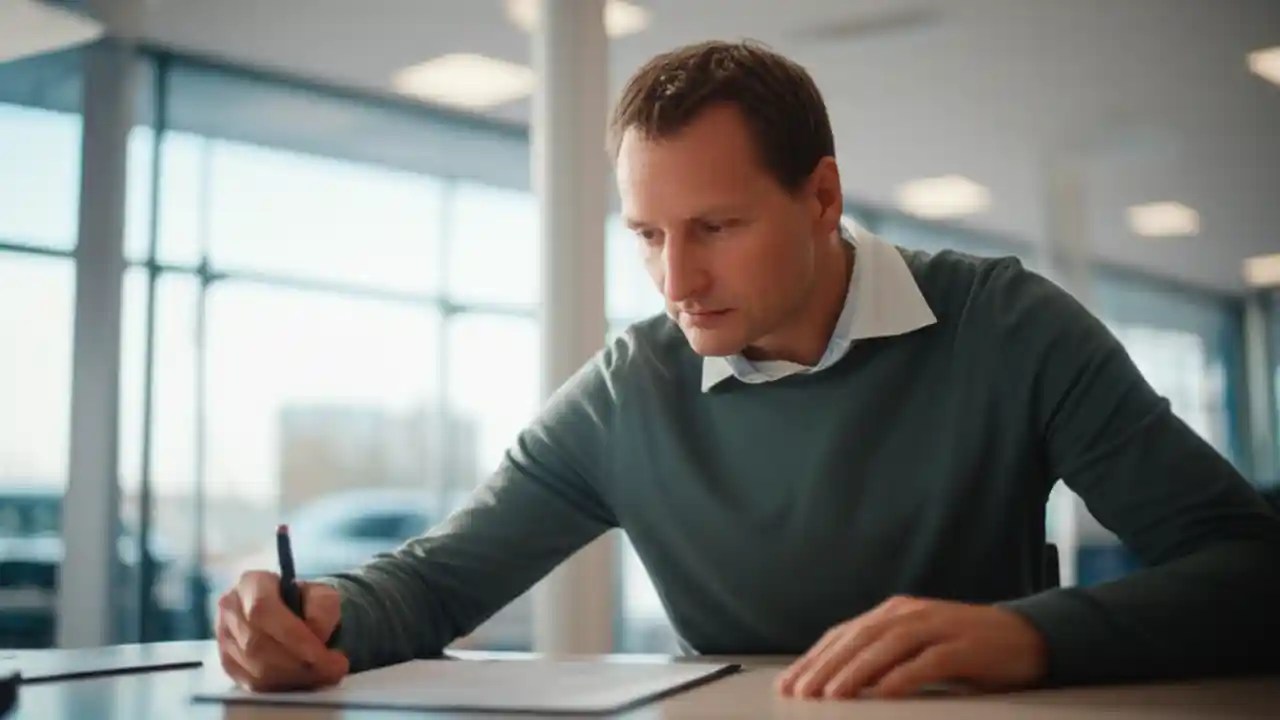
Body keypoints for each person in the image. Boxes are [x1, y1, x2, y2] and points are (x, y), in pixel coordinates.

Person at [214, 40, 1280, 700]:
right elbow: (439, 581)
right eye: (646, 233)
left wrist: (1020, 639)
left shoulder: (1004, 326)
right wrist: (318, 617)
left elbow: (1247, 569)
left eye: (714, 226)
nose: (674, 278)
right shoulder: (631, 389)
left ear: (820, 198)